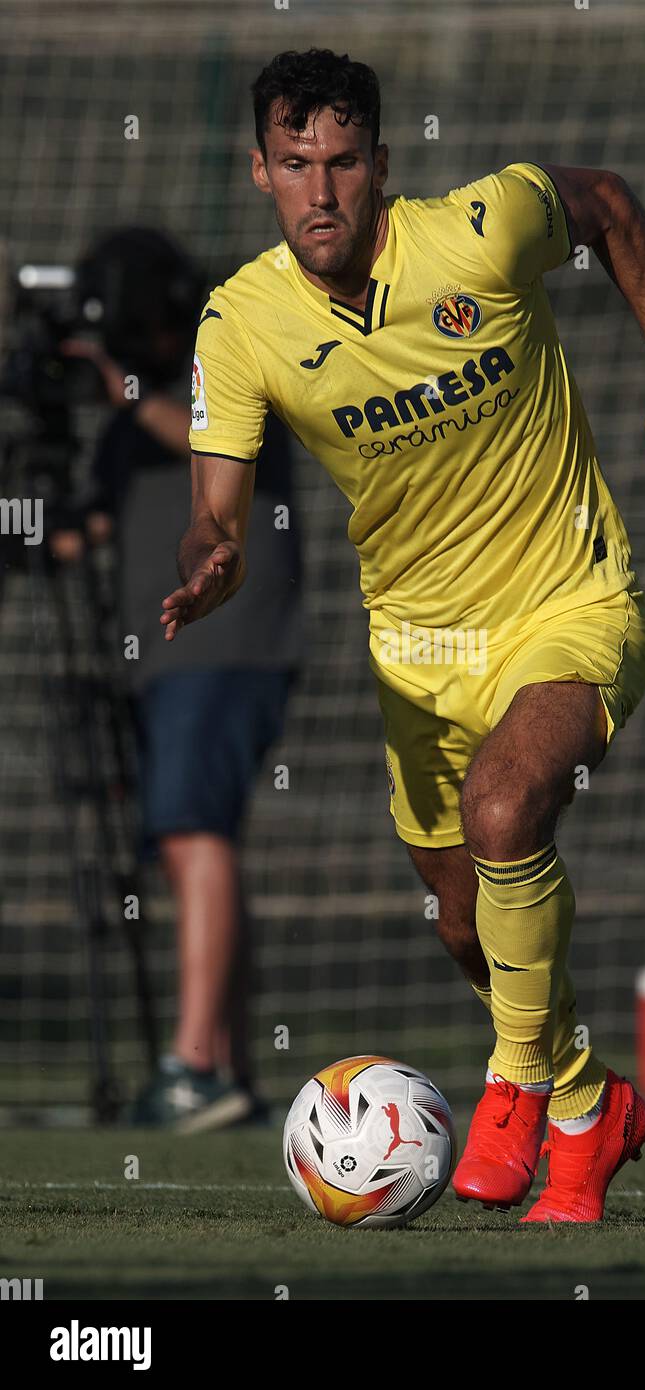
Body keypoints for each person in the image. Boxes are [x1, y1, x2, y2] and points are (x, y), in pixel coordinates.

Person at [161, 50, 645, 1212]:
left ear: (381, 163)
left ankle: (517, 1083)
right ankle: (586, 1098)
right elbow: (210, 508)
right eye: (293, 165)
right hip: (417, 651)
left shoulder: (481, 228)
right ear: (260, 170)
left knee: (502, 807)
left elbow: (609, 204)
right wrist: (209, 557)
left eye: (340, 164)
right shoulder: (241, 321)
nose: (318, 192)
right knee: (465, 925)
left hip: (568, 600)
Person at [57, 228, 303, 1131]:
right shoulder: (130, 426)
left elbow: (186, 424)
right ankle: (228, 1070)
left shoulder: (229, 363)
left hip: (227, 646)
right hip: (169, 661)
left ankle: (196, 1064)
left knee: (195, 833)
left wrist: (121, 390)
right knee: (190, 841)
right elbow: (83, 529)